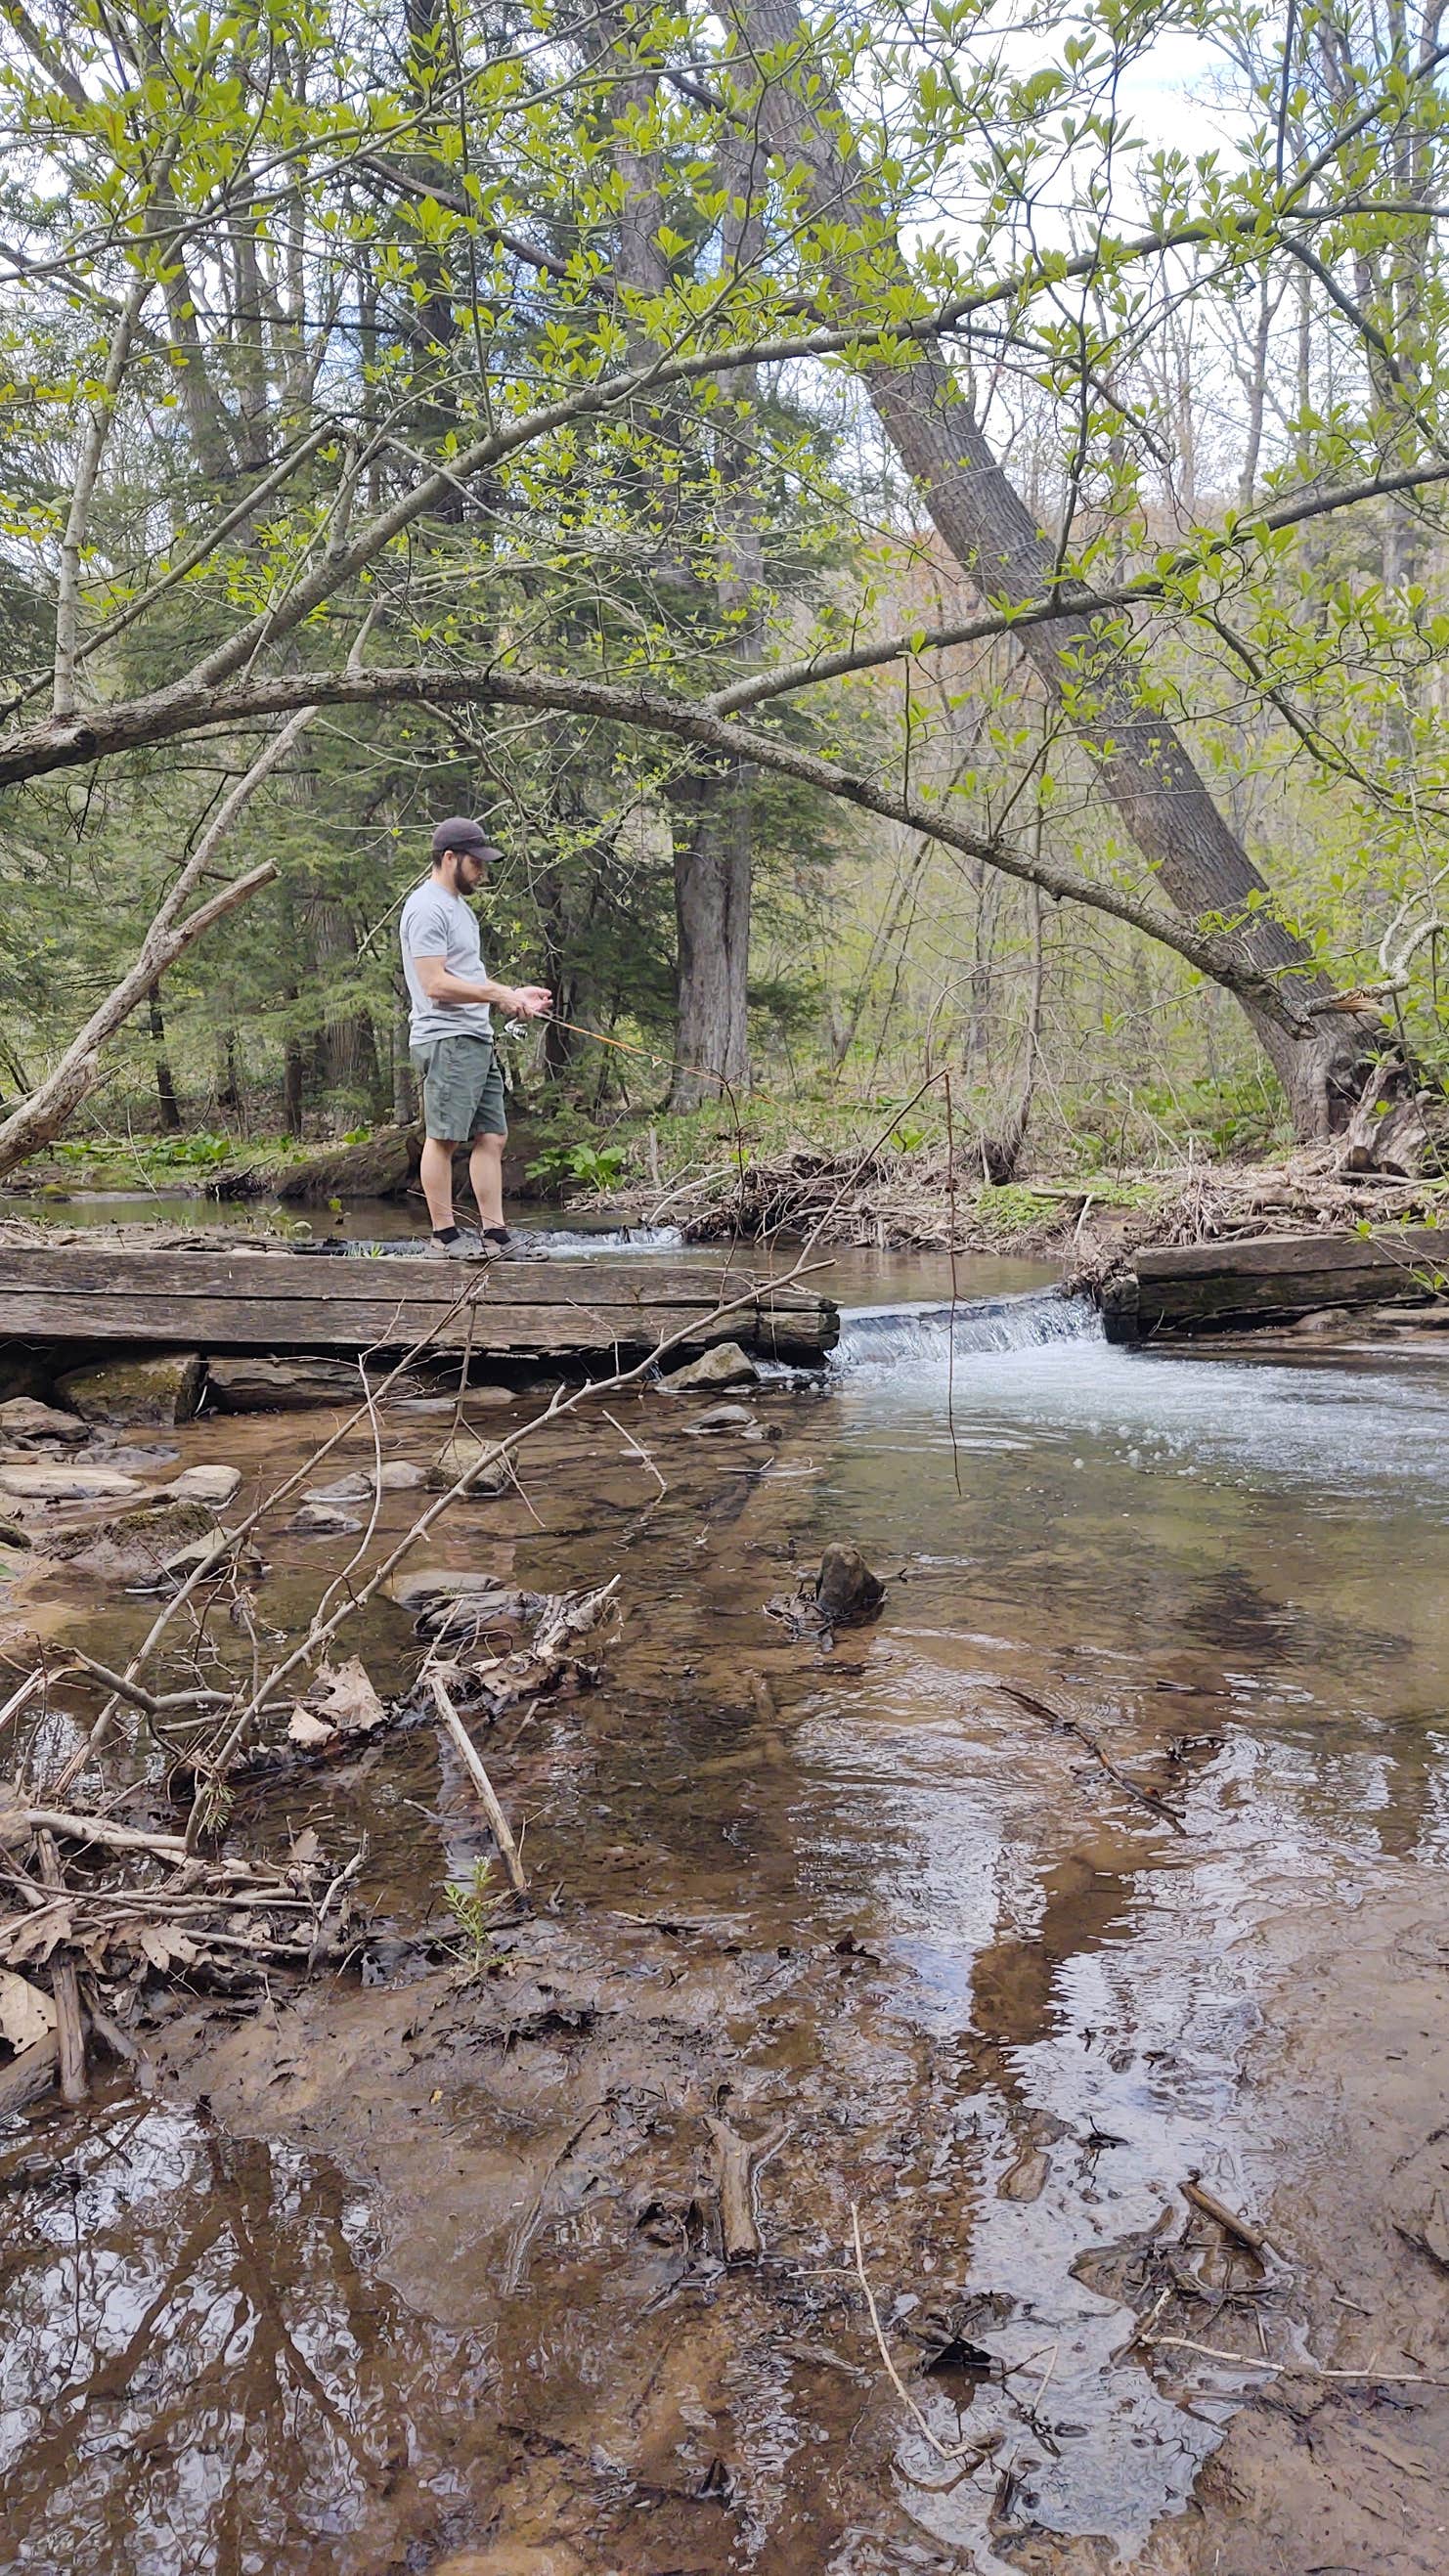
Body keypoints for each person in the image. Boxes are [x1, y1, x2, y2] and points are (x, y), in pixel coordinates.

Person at [400, 818, 551, 1256]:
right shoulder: (427, 907)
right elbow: (434, 983)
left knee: (492, 1136)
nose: (482, 871)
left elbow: (468, 976)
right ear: (449, 859)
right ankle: (444, 1236)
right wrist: (495, 993)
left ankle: (495, 1235)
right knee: (444, 1138)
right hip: (446, 1039)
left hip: (474, 1037)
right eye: (475, 863)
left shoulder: (458, 909)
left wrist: (510, 997)